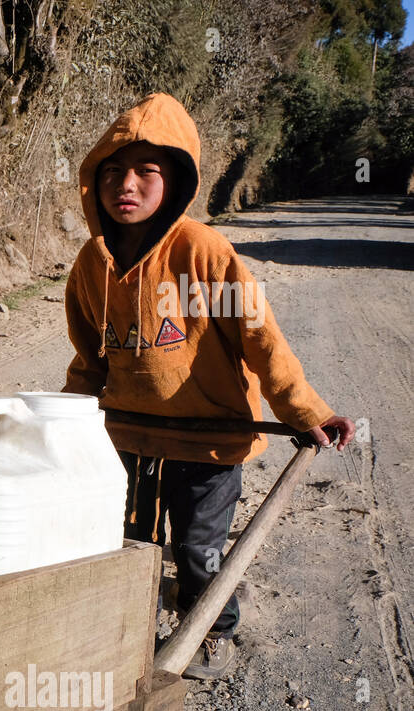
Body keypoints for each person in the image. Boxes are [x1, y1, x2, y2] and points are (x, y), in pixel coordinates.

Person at [60, 92, 355, 679]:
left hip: (211, 439)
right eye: (114, 172)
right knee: (125, 540)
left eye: (147, 173)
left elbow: (260, 339)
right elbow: (89, 358)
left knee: (197, 550)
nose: (127, 185)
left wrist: (304, 410)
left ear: (176, 182)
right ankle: (128, 628)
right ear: (95, 182)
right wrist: (61, 423)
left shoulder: (202, 251)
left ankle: (209, 629)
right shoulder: (90, 264)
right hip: (128, 434)